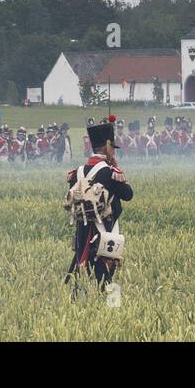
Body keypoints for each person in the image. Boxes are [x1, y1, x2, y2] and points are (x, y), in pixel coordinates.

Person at [65, 115, 132, 292]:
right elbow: (128, 195)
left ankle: (77, 307)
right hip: (105, 230)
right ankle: (113, 309)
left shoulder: (77, 172)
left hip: (82, 232)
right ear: (108, 147)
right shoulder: (110, 172)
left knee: (80, 274)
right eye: (113, 148)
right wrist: (117, 167)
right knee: (107, 274)